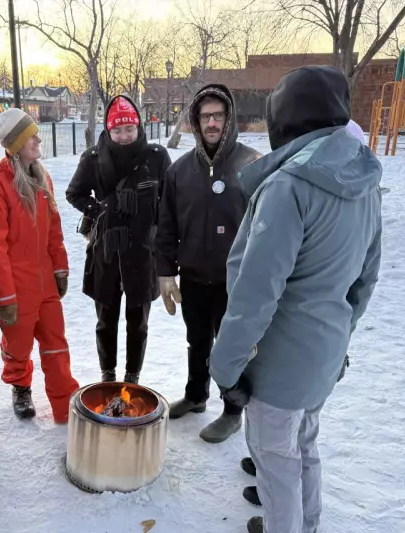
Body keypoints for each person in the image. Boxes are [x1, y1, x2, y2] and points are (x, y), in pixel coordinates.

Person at [209, 66, 382, 533]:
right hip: (323, 355)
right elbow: (365, 280)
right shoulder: (361, 179)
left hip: (279, 364)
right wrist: (338, 339)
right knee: (304, 444)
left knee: (275, 459)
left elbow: (255, 292)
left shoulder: (289, 186)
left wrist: (226, 368)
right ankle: (306, 525)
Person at [155, 84, 262, 443]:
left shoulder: (252, 164)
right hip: (195, 276)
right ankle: (196, 395)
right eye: (205, 117)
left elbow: (268, 228)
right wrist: (166, 272)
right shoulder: (180, 171)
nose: (212, 123)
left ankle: (232, 411)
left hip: (237, 281)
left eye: (218, 116)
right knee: (197, 340)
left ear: (228, 119)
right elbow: (166, 224)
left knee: (232, 348)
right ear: (195, 123)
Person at [0, 108, 80, 422]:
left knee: (56, 344)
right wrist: (5, 299)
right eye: (30, 136)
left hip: (45, 283)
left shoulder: (41, 175)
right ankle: (20, 387)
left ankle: (64, 405)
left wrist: (60, 268)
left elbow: (54, 228)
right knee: (18, 345)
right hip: (17, 285)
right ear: (15, 143)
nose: (38, 139)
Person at [65, 95, 171, 384]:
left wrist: (164, 244)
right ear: (108, 130)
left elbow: (168, 203)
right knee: (105, 320)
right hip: (106, 252)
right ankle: (108, 373)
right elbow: (74, 193)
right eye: (117, 130)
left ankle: (132, 376)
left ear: (138, 126)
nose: (124, 136)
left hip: (142, 252)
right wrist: (100, 209)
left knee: (139, 322)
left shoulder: (157, 157)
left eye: (129, 129)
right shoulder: (93, 159)